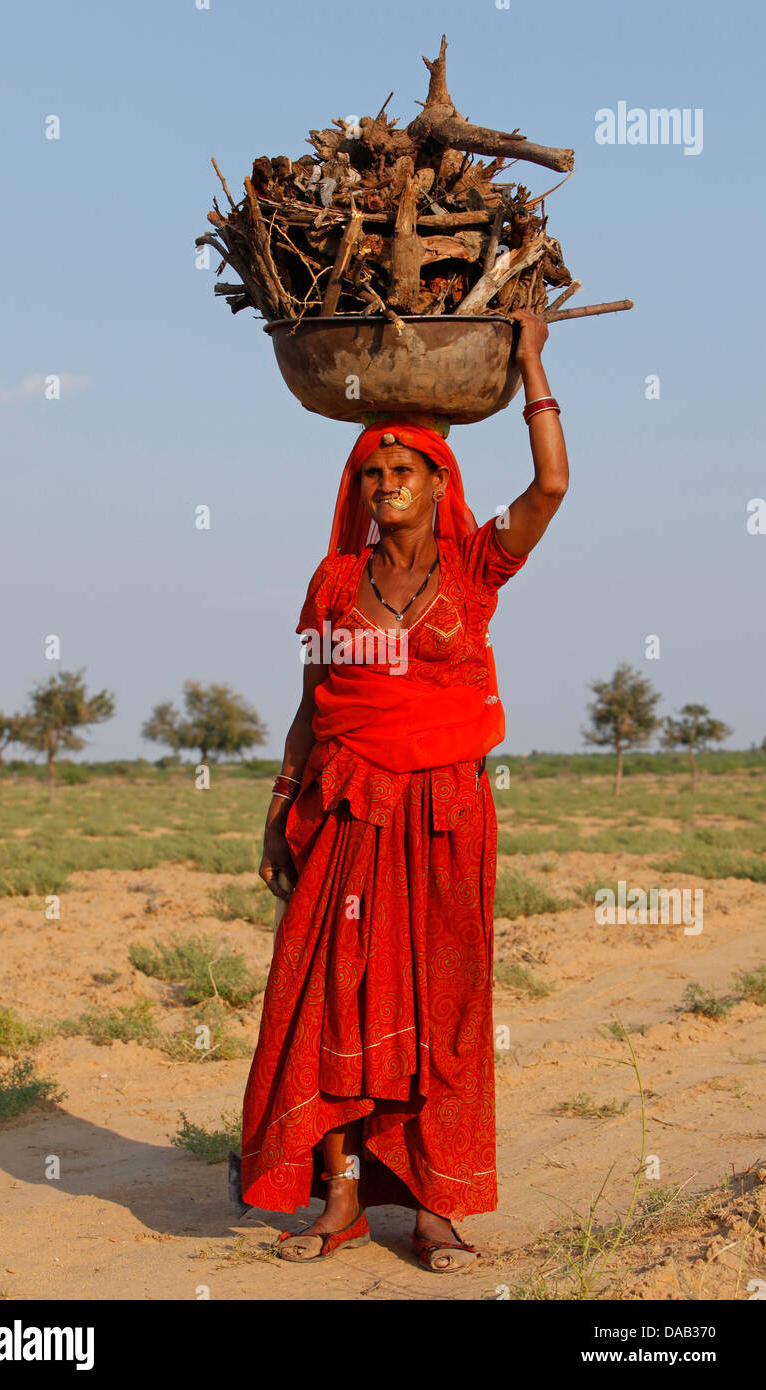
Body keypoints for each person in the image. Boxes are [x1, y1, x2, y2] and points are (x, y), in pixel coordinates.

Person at [240, 308, 568, 1272]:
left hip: (444, 818)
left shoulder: (475, 567)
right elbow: (309, 705)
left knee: (445, 1010)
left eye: (403, 472)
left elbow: (551, 484)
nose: (385, 485)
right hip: (341, 814)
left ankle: (432, 1207)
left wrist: (534, 366)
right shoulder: (332, 583)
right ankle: (340, 1201)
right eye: (371, 474)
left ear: (437, 482)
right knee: (330, 1001)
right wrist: (275, 813)